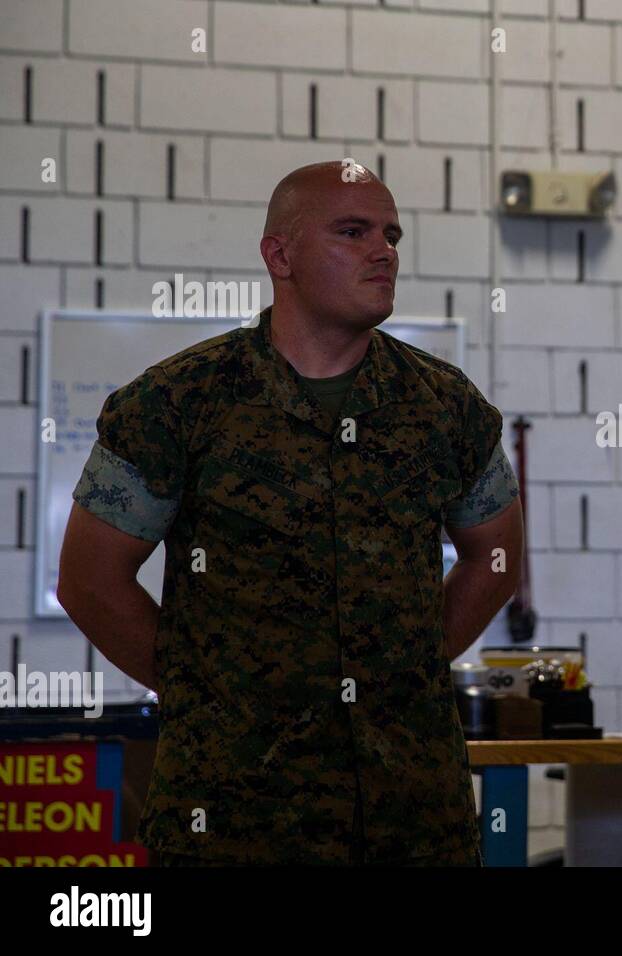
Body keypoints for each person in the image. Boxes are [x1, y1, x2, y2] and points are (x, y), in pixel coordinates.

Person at [57, 161, 524, 866]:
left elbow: (495, 557)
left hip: (409, 812)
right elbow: (90, 581)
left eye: (392, 234)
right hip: (235, 813)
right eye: (352, 231)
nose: (385, 250)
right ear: (280, 255)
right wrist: (207, 688)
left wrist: (407, 668)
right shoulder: (180, 403)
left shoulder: (444, 407)